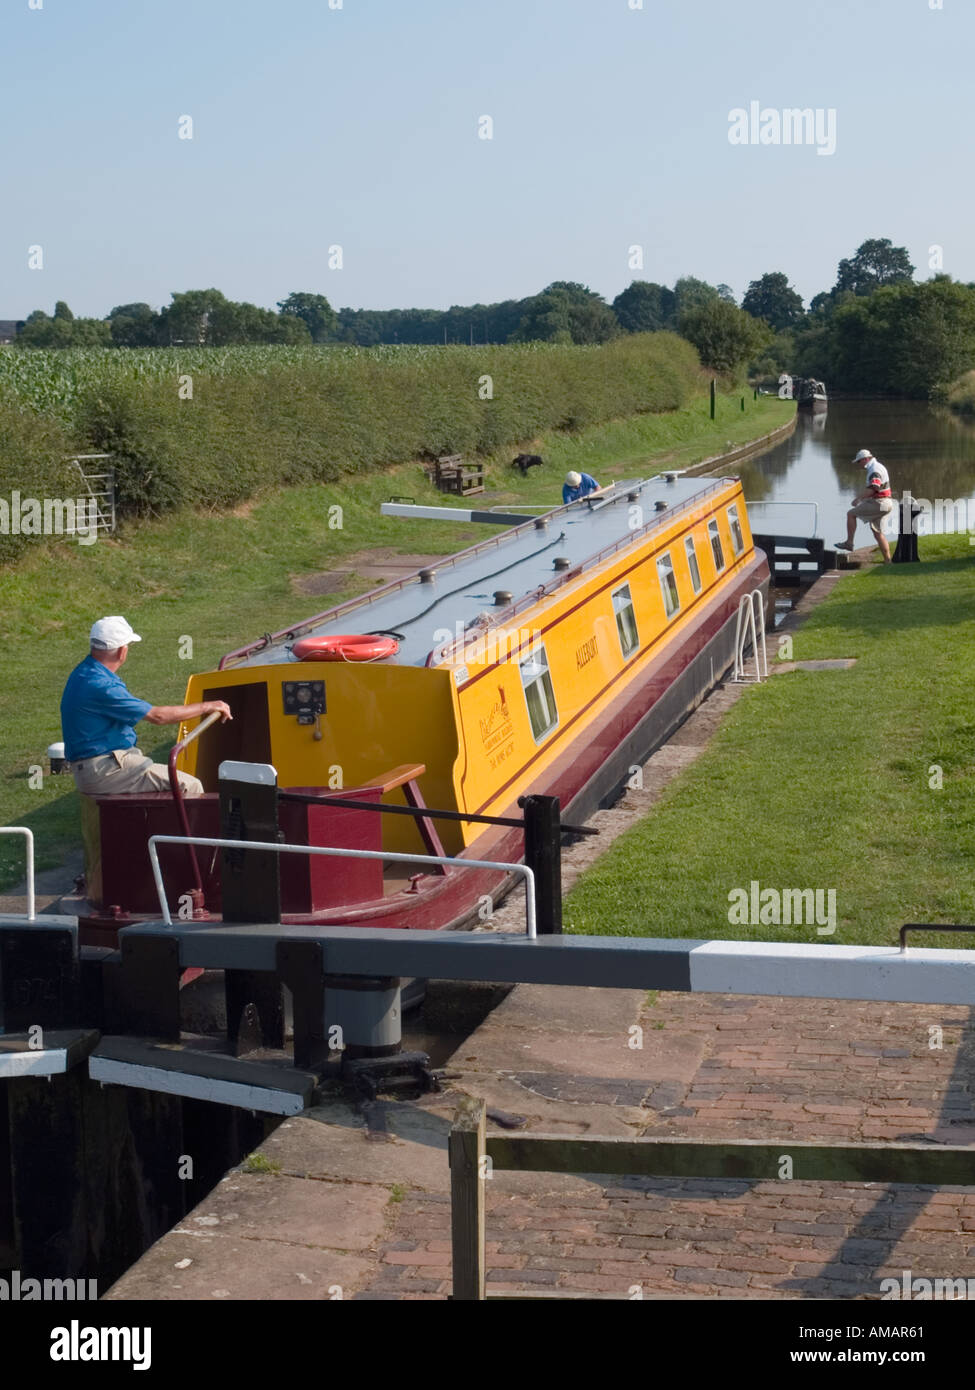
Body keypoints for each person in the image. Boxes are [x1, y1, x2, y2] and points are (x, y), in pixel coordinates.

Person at [61, 616, 232, 797]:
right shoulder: (101, 684)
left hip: (98, 767)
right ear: (122, 651)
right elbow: (157, 716)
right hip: (103, 770)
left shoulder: (84, 672)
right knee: (190, 785)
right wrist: (208, 706)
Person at [835, 449, 894, 563]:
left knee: (851, 514)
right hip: (887, 503)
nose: (859, 464)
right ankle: (888, 561)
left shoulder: (874, 470)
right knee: (878, 533)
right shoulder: (878, 466)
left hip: (879, 503)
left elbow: (874, 487)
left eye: (859, 461)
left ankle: (849, 543)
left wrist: (859, 499)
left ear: (866, 459)